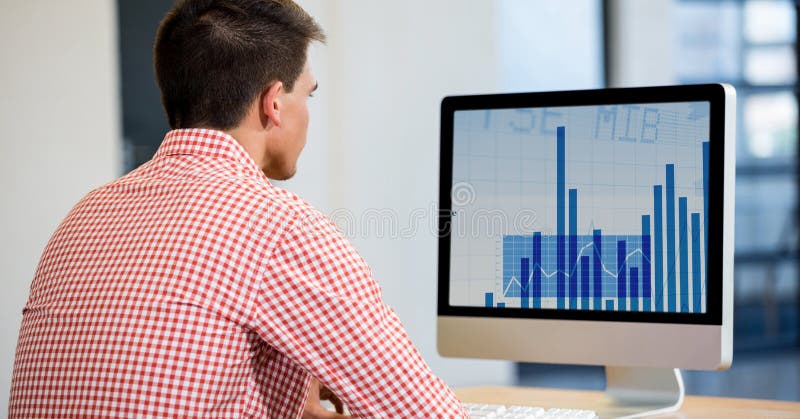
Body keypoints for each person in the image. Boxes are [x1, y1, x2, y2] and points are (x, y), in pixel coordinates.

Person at [8, 0, 467, 417]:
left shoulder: (85, 213)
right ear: (273, 103)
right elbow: (424, 411)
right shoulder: (283, 228)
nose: (308, 110)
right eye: (308, 94)